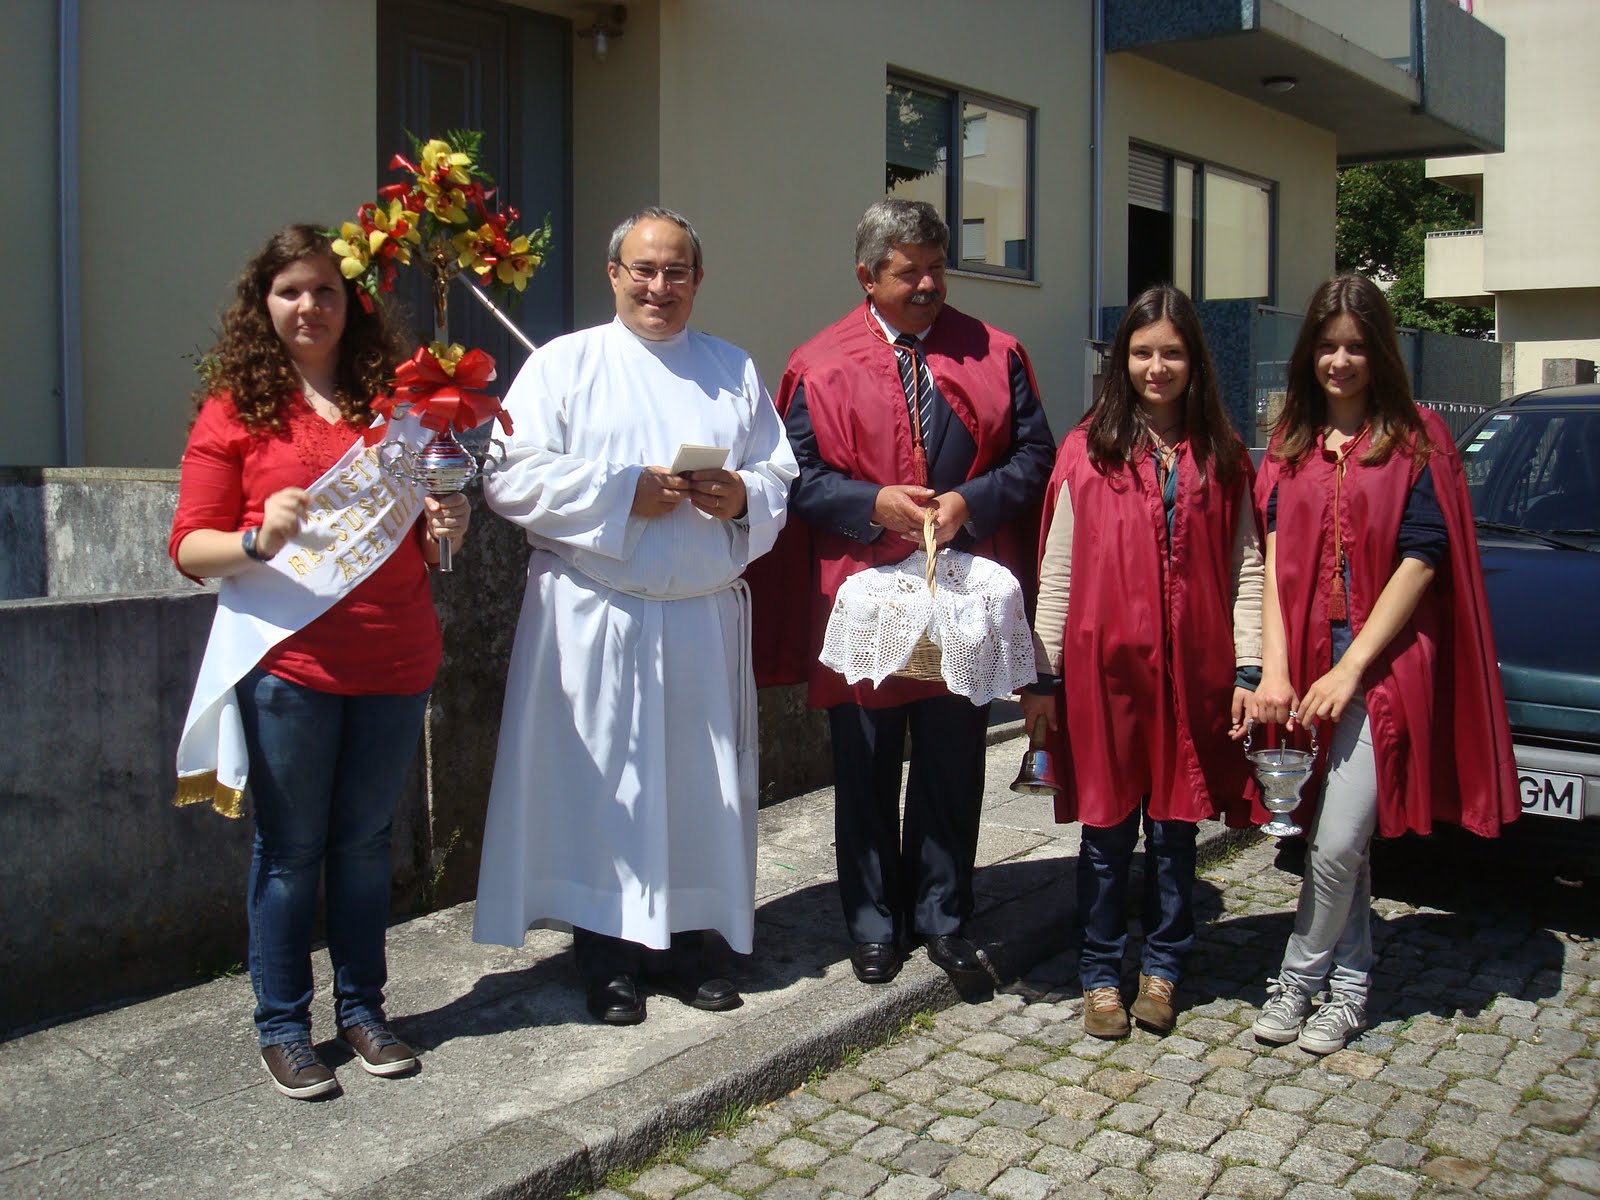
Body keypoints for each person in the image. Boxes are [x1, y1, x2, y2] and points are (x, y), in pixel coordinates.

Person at [472, 207, 797, 1026]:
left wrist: (740, 497)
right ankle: (608, 955)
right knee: (605, 788)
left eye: (677, 271)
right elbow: (508, 478)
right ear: (613, 275)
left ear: (697, 279)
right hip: (598, 612)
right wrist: (624, 494)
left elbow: (778, 474)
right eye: (644, 270)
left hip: (697, 617)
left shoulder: (732, 370)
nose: (660, 287)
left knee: (698, 789)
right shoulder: (562, 365)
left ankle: (689, 946)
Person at [171, 225, 470, 1100]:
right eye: (290, 291)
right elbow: (190, 546)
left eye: (326, 291)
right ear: (264, 304)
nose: (309, 307)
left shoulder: (399, 402)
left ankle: (366, 1012)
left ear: (354, 302)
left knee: (366, 847)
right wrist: (259, 538)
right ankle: (283, 1025)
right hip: (291, 666)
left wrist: (447, 527)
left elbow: (428, 530)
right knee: (291, 851)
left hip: (398, 654)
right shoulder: (238, 407)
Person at [751, 198, 1054, 992]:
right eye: (907, 271)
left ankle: (946, 915)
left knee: (954, 762)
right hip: (862, 599)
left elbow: (1034, 456)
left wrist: (971, 502)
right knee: (866, 763)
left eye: (935, 268)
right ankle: (874, 922)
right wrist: (870, 505)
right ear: (867, 276)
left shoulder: (995, 352)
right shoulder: (820, 363)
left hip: (957, 597)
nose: (926, 284)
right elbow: (794, 480)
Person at [1249, 273, 1518, 1055]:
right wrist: (1274, 668)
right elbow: (1273, 562)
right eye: (1329, 345)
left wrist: (1351, 668)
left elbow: (1422, 557)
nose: (1341, 360)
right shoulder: (1292, 440)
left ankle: (1300, 978)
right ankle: (1351, 986)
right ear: (1311, 353)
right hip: (1303, 661)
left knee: (1333, 842)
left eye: (1357, 346)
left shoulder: (1415, 435)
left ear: (1380, 352)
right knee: (1342, 836)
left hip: (1382, 666)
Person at [1019, 285, 1262, 1039]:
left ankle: (1163, 966)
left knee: (1177, 831)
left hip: (1193, 673)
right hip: (1103, 673)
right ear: (1121, 360)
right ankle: (1099, 975)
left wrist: (1250, 667)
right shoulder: (1085, 451)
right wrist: (1043, 673)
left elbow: (1247, 565)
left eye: (1173, 352)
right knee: (1105, 835)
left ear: (1195, 362)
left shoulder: (1222, 453)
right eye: (1143, 351)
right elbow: (1056, 570)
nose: (1158, 366)